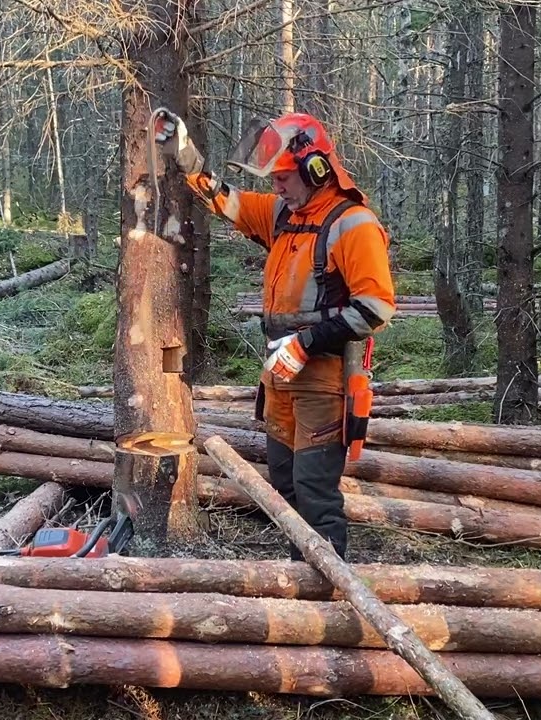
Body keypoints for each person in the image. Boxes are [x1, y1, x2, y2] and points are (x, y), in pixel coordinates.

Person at [154, 109, 397, 560]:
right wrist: (186, 156)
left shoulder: (353, 224)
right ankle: (297, 580)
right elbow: (228, 201)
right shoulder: (285, 214)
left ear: (316, 170)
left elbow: (376, 308)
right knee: (284, 488)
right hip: (280, 376)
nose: (277, 187)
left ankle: (325, 597)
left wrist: (306, 343)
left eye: (284, 178)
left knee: (314, 493)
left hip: (323, 380)